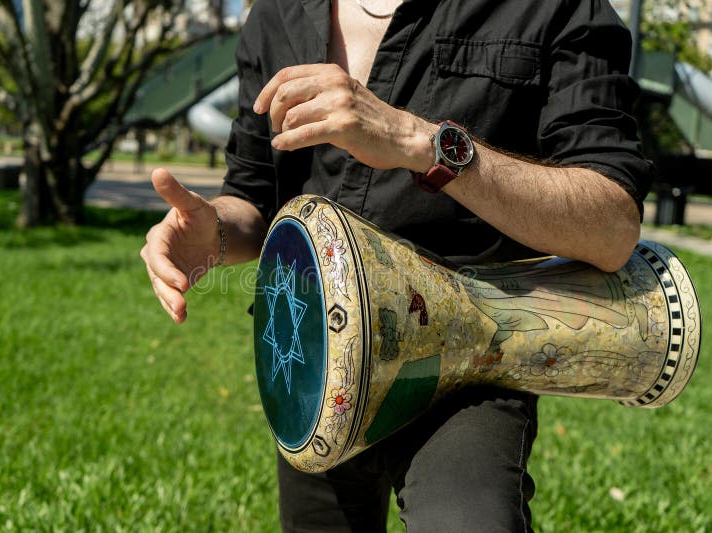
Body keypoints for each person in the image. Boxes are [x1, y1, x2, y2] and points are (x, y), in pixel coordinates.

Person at [140, 0, 653, 530]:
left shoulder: (555, 7)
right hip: (308, 366)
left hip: (466, 370)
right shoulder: (278, 11)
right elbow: (252, 194)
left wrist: (419, 142)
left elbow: (612, 227)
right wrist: (217, 232)